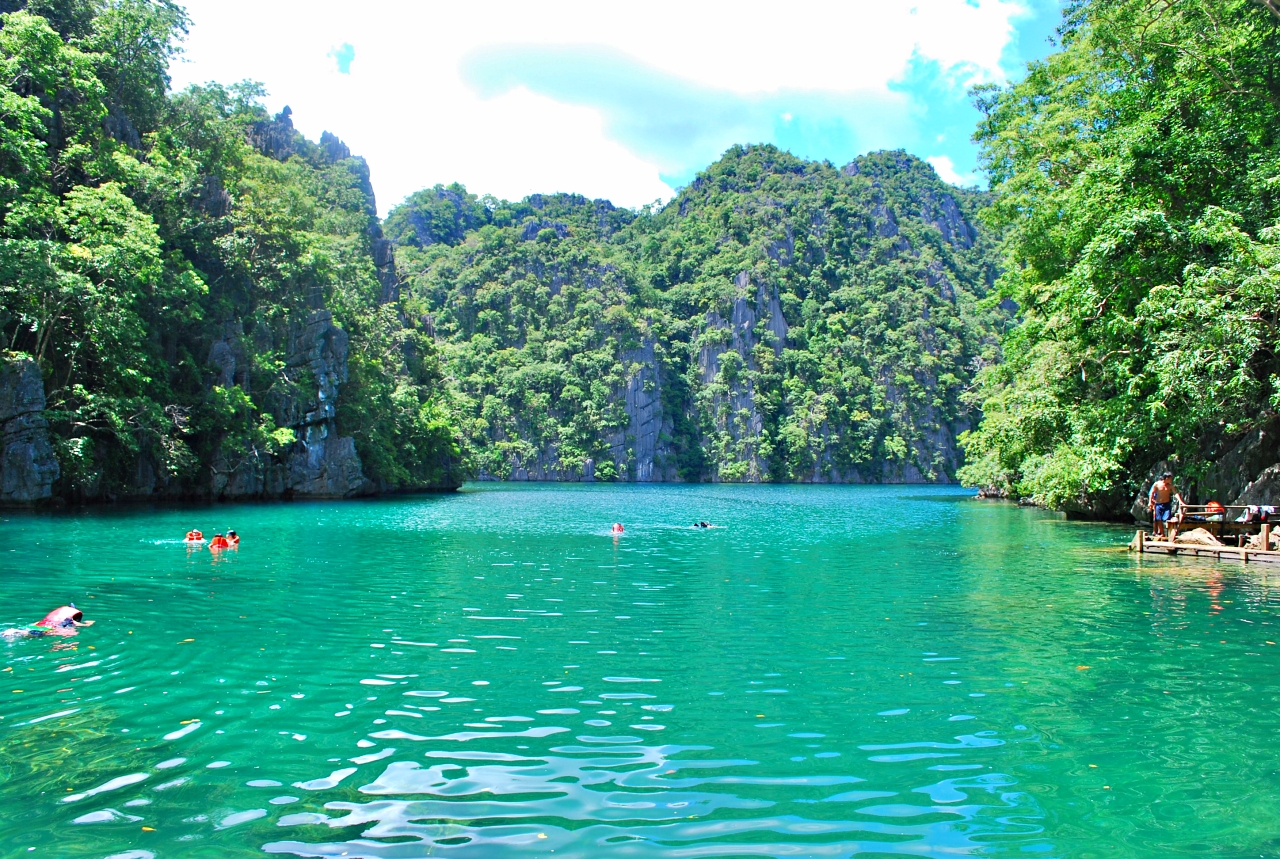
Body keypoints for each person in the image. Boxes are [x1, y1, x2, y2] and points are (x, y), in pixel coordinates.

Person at [2, 604, 93, 639]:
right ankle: (17, 631)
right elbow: (85, 625)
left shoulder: (56, 616)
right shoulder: (69, 620)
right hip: (49, 628)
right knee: (33, 634)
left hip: (41, 624)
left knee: (28, 631)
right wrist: (90, 622)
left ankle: (16, 630)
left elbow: (37, 623)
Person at [1147, 472, 1185, 540]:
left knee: (1167, 518)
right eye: (1170, 478)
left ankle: (1168, 532)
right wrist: (1150, 502)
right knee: (1158, 519)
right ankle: (1162, 533)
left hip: (1166, 504)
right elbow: (1152, 493)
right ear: (1166, 478)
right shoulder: (1157, 484)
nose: (1171, 480)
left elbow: (1175, 493)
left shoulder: (1170, 486)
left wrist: (1181, 501)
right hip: (1158, 504)